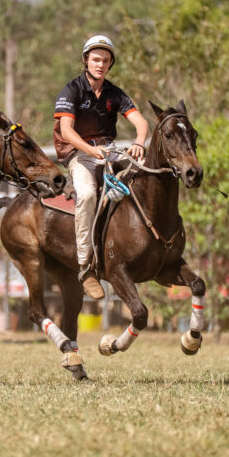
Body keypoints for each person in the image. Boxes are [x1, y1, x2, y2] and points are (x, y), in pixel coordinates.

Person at [52, 35, 149, 300]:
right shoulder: (71, 90)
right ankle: (85, 266)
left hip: (107, 150)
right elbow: (66, 131)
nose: (101, 64)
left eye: (106, 60)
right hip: (78, 154)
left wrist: (140, 142)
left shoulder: (114, 93)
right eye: (96, 59)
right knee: (87, 194)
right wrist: (89, 149)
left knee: (146, 171)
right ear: (86, 60)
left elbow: (140, 122)